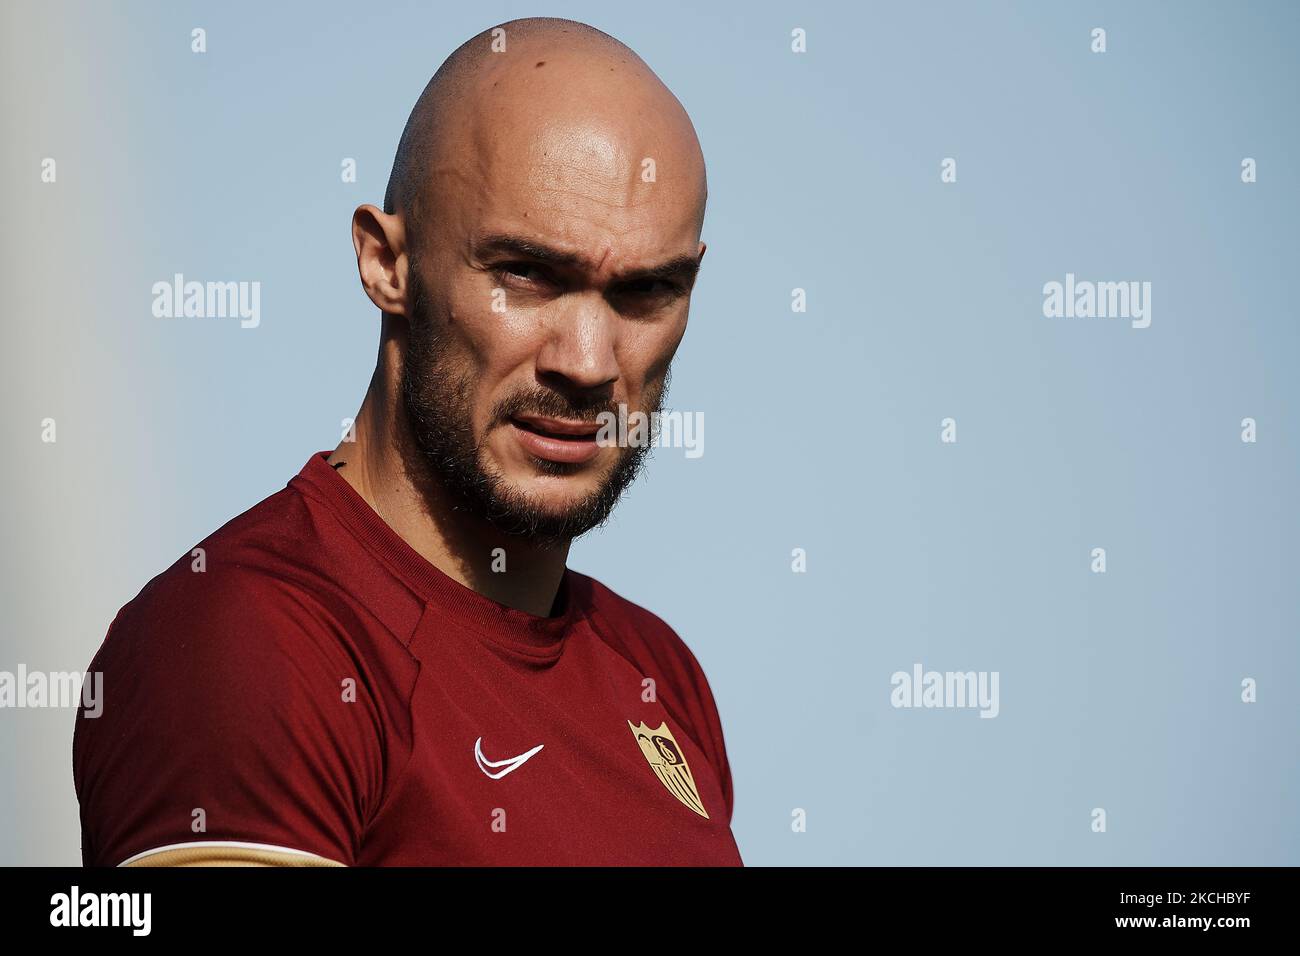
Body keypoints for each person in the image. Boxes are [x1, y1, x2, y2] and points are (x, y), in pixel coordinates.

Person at [72, 16, 741, 866]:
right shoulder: (247, 642)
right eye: (527, 275)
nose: (588, 362)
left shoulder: (659, 674)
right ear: (388, 264)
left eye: (647, 291)